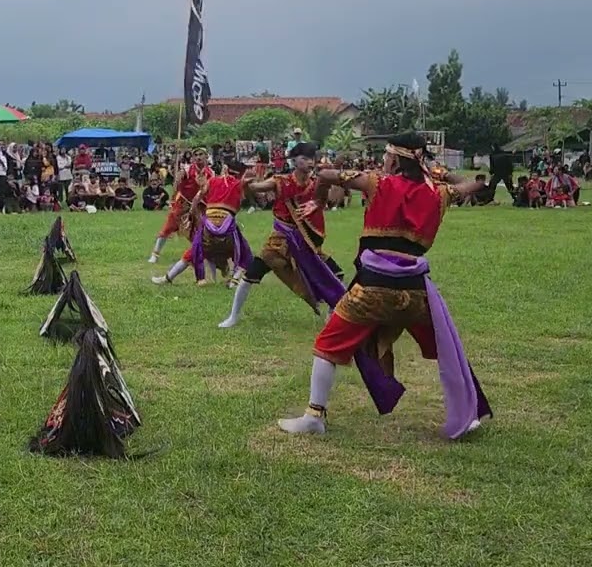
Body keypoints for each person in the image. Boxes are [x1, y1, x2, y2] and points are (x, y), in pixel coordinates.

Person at [276, 132, 491, 439]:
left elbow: (325, 175)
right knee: (447, 350)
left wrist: (318, 201)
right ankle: (468, 414)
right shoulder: (439, 193)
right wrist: (437, 172)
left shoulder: (377, 182)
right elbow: (475, 183)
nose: (384, 160)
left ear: (394, 160)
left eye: (388, 155)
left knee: (326, 346)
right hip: (416, 291)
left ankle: (314, 416)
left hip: (372, 289)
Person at [218, 143, 346, 329]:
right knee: (250, 275)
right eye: (305, 158)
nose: (310, 162)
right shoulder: (280, 181)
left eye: (311, 158)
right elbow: (256, 188)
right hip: (279, 240)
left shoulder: (317, 183)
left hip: (305, 242)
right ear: (294, 161)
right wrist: (247, 182)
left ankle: (333, 313)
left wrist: (325, 194)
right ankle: (233, 316)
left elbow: (327, 199)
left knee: (336, 274)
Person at [151, 161, 252, 286]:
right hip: (228, 229)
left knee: (193, 251)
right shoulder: (240, 184)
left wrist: (191, 214)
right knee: (244, 252)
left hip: (209, 229)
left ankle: (168, 278)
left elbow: (196, 198)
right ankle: (234, 280)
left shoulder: (212, 181)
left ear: (225, 168)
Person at [147, 148, 208, 263]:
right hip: (182, 204)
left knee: (199, 232)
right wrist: (177, 180)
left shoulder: (210, 173)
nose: (198, 157)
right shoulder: (188, 169)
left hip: (198, 206)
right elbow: (177, 182)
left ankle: (199, 254)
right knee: (167, 228)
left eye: (201, 154)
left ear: (206, 156)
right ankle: (155, 254)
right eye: (196, 155)